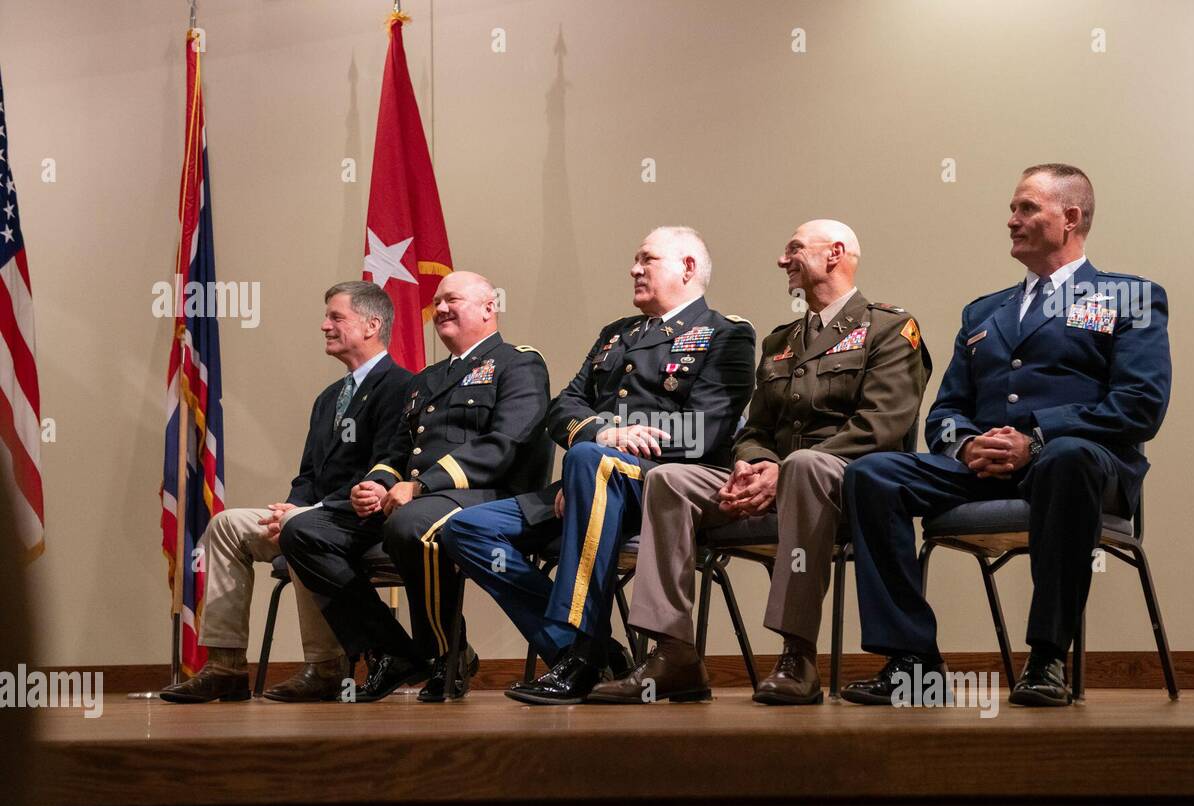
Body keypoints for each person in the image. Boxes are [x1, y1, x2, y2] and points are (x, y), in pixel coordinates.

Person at [841, 164, 1172, 707]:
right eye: (1013, 209)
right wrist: (966, 445)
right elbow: (946, 409)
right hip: (986, 469)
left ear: (1070, 218)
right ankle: (913, 663)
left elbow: (1139, 406)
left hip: (1079, 467)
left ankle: (1046, 659)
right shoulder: (984, 310)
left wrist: (1037, 440)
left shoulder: (1129, 296)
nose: (1011, 220)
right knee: (874, 474)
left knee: (1066, 459)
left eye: (1026, 208)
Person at [590, 219, 931, 705]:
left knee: (804, 468)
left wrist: (784, 468)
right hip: (776, 478)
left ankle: (798, 654)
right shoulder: (780, 341)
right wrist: (756, 463)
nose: (781, 259)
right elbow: (753, 429)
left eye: (794, 248)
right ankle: (674, 652)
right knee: (669, 479)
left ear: (834, 254)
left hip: (846, 481)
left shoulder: (889, 327)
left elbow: (883, 424)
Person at [441, 227, 756, 705]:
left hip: (663, 489)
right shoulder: (616, 333)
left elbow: (706, 433)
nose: (634, 269)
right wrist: (600, 437)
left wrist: (599, 455)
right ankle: (586, 650)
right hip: (592, 482)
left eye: (646, 259)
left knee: (590, 461)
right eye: (635, 259)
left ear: (687, 268)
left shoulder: (726, 333)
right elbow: (562, 407)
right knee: (465, 530)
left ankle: (582, 655)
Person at [279, 271, 550, 702]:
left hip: (491, 497)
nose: (440, 308)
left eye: (453, 300)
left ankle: (444, 652)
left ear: (488, 307)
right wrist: (375, 482)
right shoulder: (427, 377)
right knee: (304, 532)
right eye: (437, 302)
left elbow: (505, 445)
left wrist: (421, 486)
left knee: (410, 523)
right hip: (419, 497)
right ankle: (392, 651)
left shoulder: (519, 362)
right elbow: (398, 450)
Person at [160, 281, 413, 703]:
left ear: (371, 325)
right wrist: (292, 506)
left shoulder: (402, 386)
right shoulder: (329, 397)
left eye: (336, 317)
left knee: (301, 528)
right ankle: (225, 666)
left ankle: (326, 668)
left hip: (364, 521)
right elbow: (309, 473)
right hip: (315, 513)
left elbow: (389, 467)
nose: (324, 326)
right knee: (226, 525)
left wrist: (305, 513)